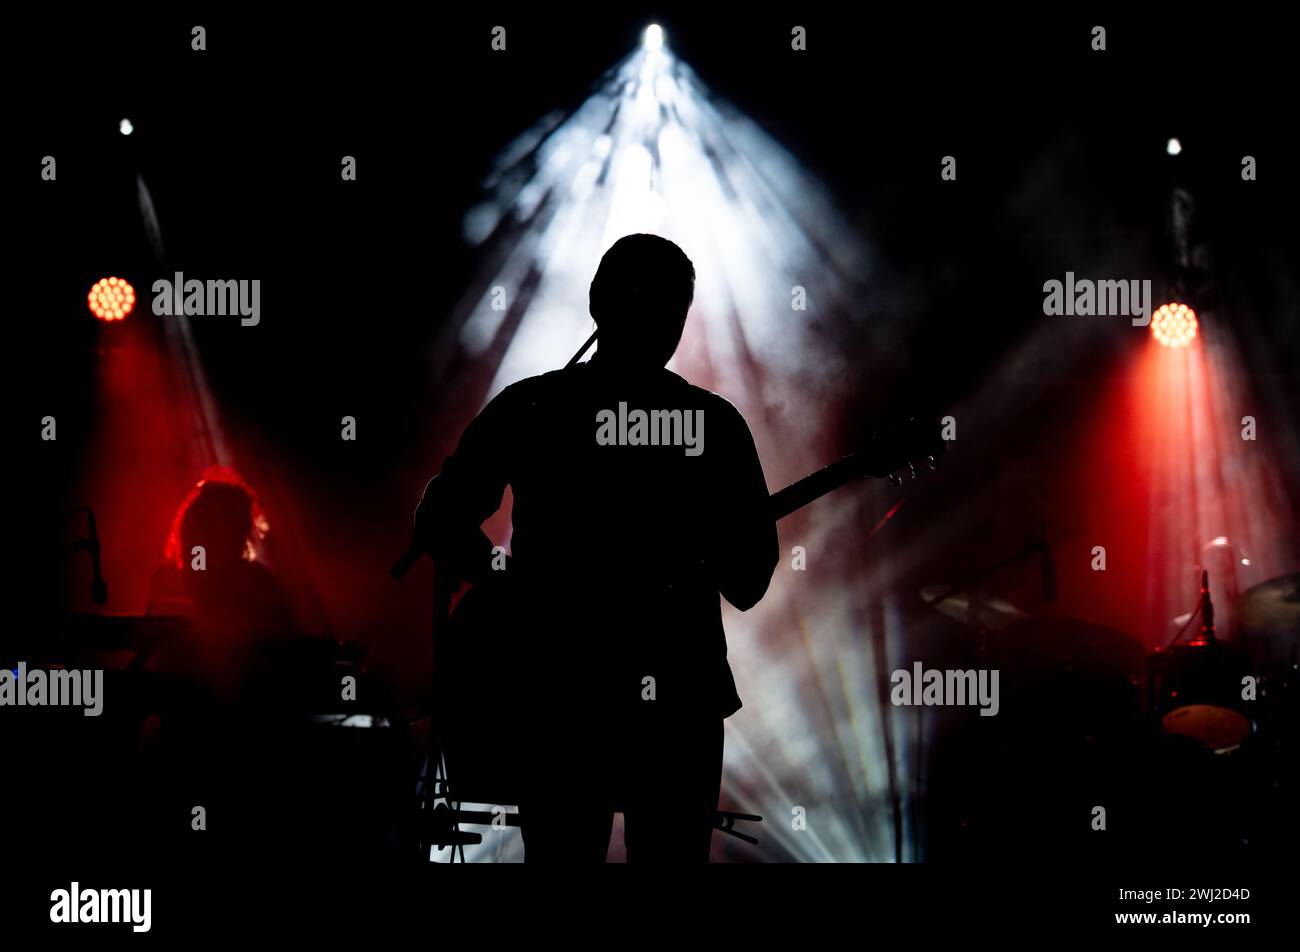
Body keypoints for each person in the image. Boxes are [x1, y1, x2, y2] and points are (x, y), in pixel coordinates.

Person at [415, 234, 778, 862]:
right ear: (600, 303)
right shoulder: (711, 426)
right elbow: (748, 580)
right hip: (663, 702)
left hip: (566, 696)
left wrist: (509, 587)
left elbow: (441, 518)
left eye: (670, 308)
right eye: (653, 304)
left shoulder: (534, 405)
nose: (661, 322)